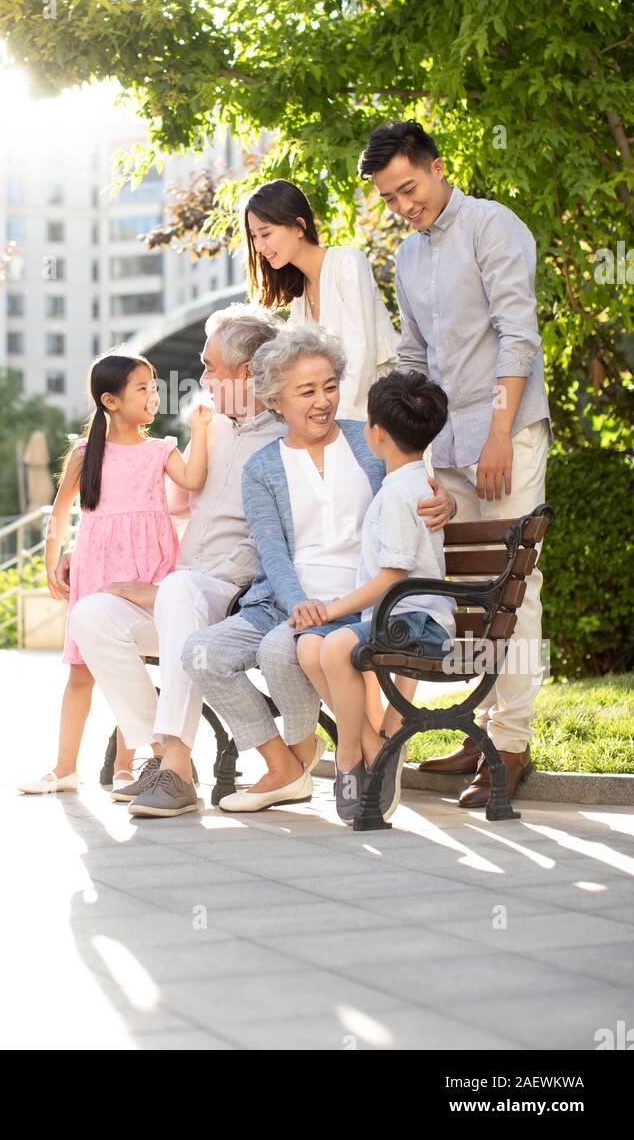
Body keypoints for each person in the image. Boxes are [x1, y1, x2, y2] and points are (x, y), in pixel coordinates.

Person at [358, 119, 552, 806]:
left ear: (437, 167)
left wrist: (499, 431)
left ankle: (511, 741)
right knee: (457, 586)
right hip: (445, 448)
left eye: (408, 188)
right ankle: (480, 728)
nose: (403, 206)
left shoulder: (494, 226)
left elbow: (517, 334)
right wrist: (410, 455)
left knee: (509, 587)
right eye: (389, 198)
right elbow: (415, 356)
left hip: (508, 433)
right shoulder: (408, 257)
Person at [185, 324, 455, 814]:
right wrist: (298, 604)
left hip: (361, 603)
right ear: (275, 399)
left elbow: (415, 491)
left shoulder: (371, 442)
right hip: (288, 605)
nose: (322, 401)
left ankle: (345, 753)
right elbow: (273, 554)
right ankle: (288, 766)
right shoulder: (262, 468)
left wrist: (447, 502)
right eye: (306, 391)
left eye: (329, 386)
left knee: (283, 650)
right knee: (201, 653)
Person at [57, 305, 288, 818]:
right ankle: (160, 755)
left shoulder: (286, 438)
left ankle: (179, 768)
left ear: (246, 373)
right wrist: (86, 545)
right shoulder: (212, 428)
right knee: (90, 615)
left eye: (210, 367)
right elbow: (166, 504)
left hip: (237, 602)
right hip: (181, 596)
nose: (200, 377)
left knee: (180, 590)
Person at [17, 351, 211, 795]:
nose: (153, 395)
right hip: (95, 566)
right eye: (141, 388)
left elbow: (194, 479)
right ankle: (65, 768)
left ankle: (128, 766)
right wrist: (53, 564)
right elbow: (60, 513)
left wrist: (199, 432)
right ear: (110, 400)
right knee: (80, 673)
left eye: (154, 387)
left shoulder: (161, 449)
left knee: (133, 663)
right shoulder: (86, 455)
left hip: (144, 568)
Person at [293, 370, 455, 823]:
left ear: (376, 433)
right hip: (395, 619)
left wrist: (332, 609)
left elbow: (392, 578)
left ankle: (349, 758)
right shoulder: (405, 485)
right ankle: (374, 745)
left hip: (418, 623)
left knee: (337, 643)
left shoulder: (404, 492)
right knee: (310, 647)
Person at [244, 178, 398, 418]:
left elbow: (361, 358)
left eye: (265, 233)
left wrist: (336, 427)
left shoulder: (347, 263)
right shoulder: (300, 295)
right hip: (331, 420)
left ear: (298, 226)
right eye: (254, 236)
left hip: (377, 414)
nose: (259, 246)